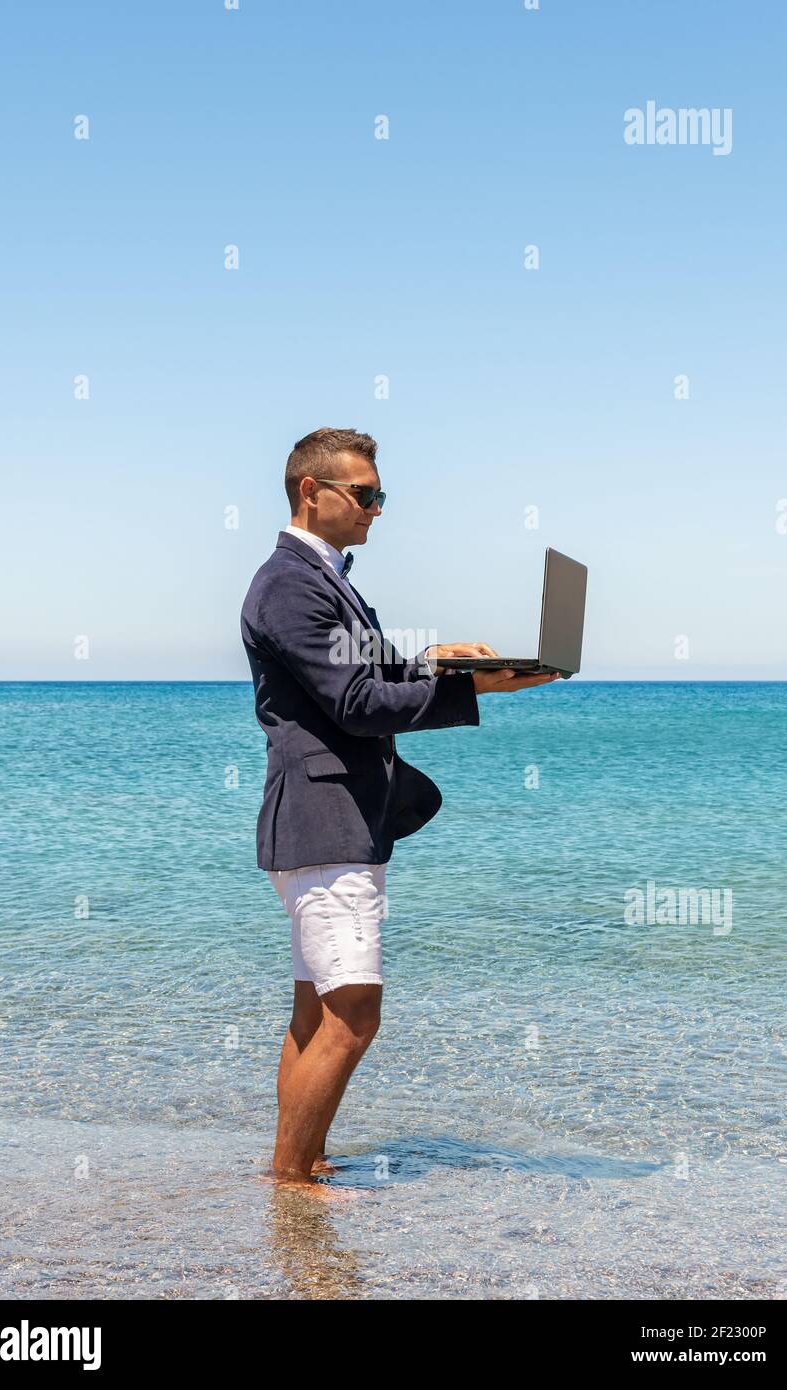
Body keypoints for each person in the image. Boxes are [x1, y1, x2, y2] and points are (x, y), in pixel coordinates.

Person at [240, 427, 559, 1184]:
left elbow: (365, 675)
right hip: (326, 822)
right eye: (365, 495)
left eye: (382, 496)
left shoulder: (324, 578)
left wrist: (439, 662)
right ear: (311, 492)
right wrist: (465, 689)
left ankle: (298, 1166)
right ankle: (290, 1184)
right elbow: (354, 703)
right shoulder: (290, 582)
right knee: (353, 1017)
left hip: (326, 823)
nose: (377, 509)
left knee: (318, 1014)